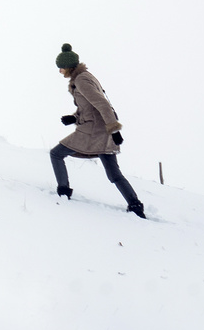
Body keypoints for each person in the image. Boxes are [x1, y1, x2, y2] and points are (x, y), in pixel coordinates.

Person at [49, 43, 145, 218]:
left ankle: (63, 192)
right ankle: (135, 205)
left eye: (61, 67)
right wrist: (74, 118)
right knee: (114, 174)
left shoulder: (81, 80)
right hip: (102, 132)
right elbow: (91, 109)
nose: (60, 71)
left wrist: (115, 129)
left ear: (69, 66)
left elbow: (102, 104)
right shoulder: (85, 77)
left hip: (92, 133)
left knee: (56, 154)